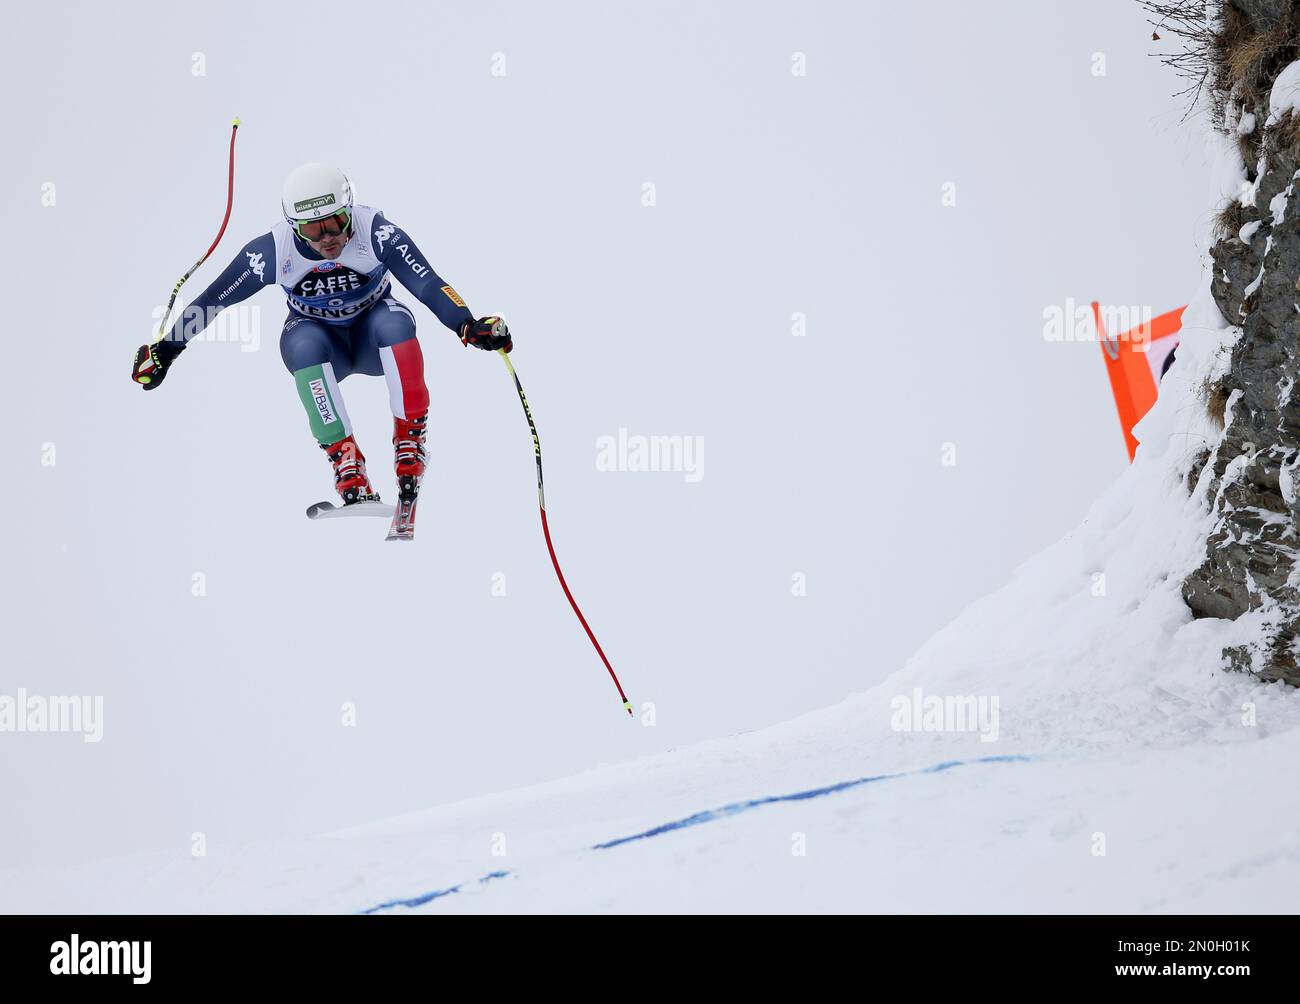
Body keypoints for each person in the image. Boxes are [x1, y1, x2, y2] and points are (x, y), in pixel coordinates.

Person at [131, 162, 512, 512]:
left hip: (373, 337)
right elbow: (214, 299)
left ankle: (409, 442)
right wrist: (167, 349)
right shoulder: (270, 251)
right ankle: (346, 460)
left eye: (335, 223)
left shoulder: (376, 231)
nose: (327, 237)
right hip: (322, 341)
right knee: (302, 345)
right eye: (313, 230)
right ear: (294, 226)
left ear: (350, 210)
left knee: (395, 323)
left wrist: (466, 324)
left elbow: (427, 283)